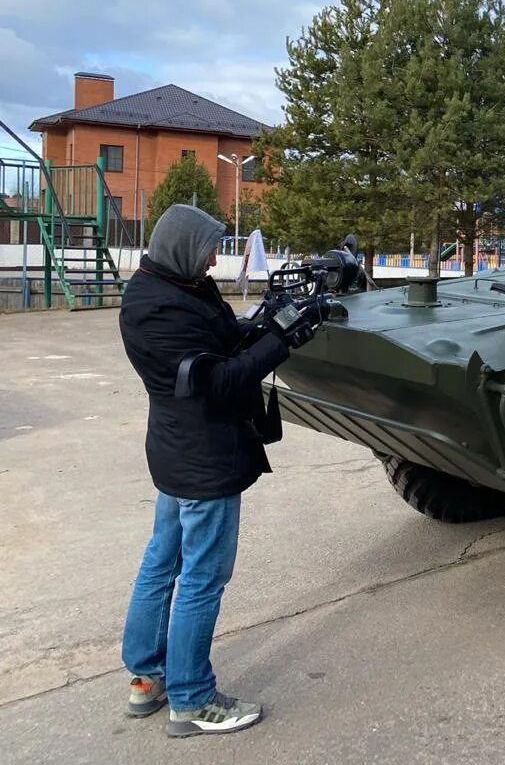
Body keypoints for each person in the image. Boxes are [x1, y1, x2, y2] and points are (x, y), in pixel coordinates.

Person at [118, 204, 319, 737]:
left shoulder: (172, 286)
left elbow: (222, 337)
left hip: (176, 452)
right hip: (202, 458)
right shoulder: (159, 310)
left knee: (162, 563)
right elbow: (218, 381)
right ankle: (192, 699)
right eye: (207, 247)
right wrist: (283, 341)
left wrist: (266, 321)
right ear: (183, 245)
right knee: (201, 578)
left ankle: (146, 677)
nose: (213, 258)